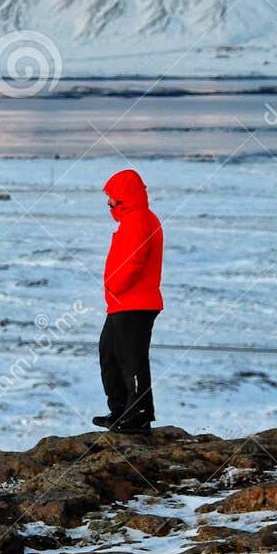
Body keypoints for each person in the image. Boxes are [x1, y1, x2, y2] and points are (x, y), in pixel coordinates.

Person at [94, 169, 163, 432]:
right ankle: (122, 411)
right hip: (124, 303)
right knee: (110, 354)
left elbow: (133, 261)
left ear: (124, 196)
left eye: (112, 197)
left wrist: (114, 285)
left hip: (135, 303)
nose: (109, 203)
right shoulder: (135, 219)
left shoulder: (139, 220)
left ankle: (139, 415)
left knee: (130, 360)